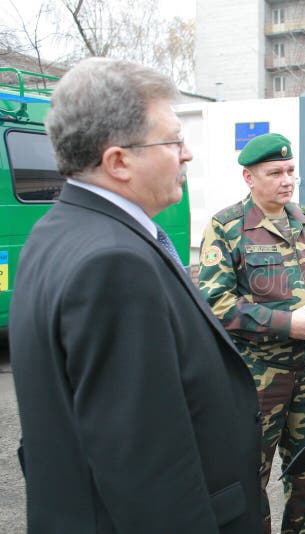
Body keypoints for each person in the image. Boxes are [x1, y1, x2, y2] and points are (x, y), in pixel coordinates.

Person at [9, 57, 261, 532]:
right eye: (173, 141)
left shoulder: (57, 230)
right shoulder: (114, 263)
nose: (187, 155)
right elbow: (147, 465)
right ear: (118, 161)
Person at [197, 132, 305, 533]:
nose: (287, 180)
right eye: (275, 172)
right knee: (250, 473)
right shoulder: (226, 227)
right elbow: (214, 302)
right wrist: (284, 323)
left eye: (291, 171)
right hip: (257, 376)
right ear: (249, 177)